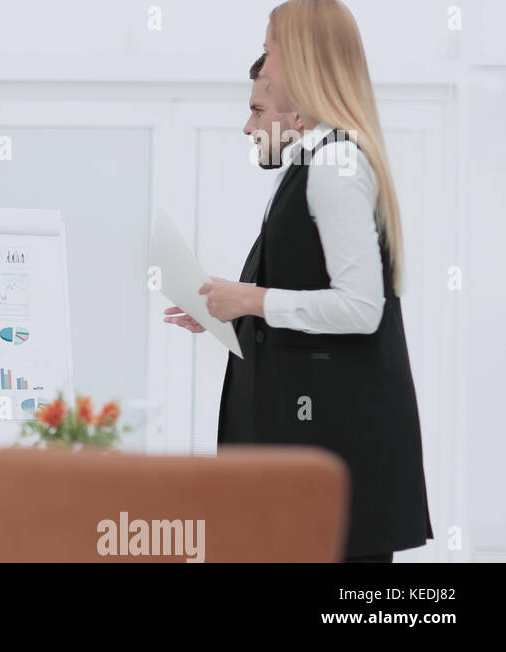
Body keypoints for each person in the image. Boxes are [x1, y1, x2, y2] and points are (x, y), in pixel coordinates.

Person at [172, 0, 432, 563]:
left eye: (270, 49)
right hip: (308, 447)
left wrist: (249, 298)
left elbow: (361, 309)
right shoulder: (315, 162)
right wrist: (234, 305)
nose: (261, 60)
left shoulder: (335, 167)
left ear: (304, 59)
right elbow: (308, 290)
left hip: (330, 453)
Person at [163, 53, 302, 332]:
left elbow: (354, 308)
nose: (248, 127)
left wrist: (246, 299)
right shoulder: (296, 183)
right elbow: (305, 295)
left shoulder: (329, 177)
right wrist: (234, 301)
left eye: (258, 111)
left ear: (297, 115)